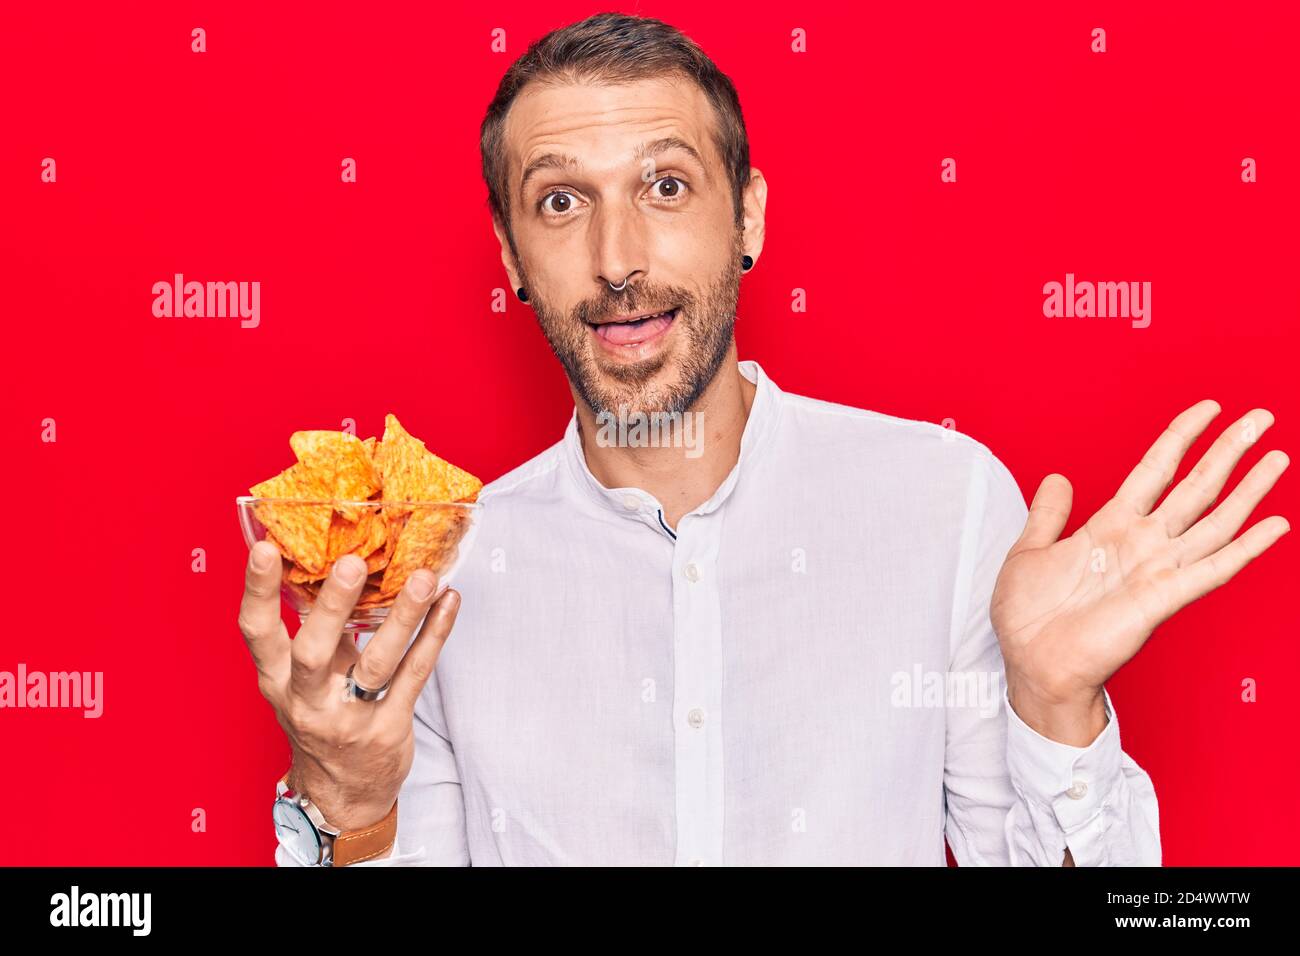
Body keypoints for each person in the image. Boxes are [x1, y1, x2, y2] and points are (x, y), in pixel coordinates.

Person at [239, 12, 1290, 866]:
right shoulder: (436, 570)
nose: (618, 258)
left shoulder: (945, 504)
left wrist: (1055, 705)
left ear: (746, 218)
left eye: (665, 186)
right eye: (561, 201)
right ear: (511, 252)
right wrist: (354, 808)